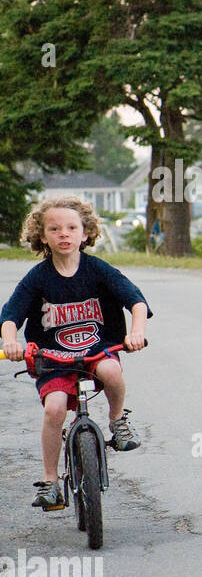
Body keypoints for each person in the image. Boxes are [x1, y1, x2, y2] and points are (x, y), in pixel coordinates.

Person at [1, 196, 150, 509]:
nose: (64, 234)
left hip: (97, 350)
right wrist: (10, 341)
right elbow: (10, 316)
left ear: (86, 233)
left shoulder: (98, 270)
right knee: (54, 409)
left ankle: (117, 421)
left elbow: (136, 301)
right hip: (53, 358)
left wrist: (136, 333)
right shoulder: (38, 278)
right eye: (54, 229)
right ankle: (50, 481)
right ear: (43, 236)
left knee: (111, 371)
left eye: (71, 228)